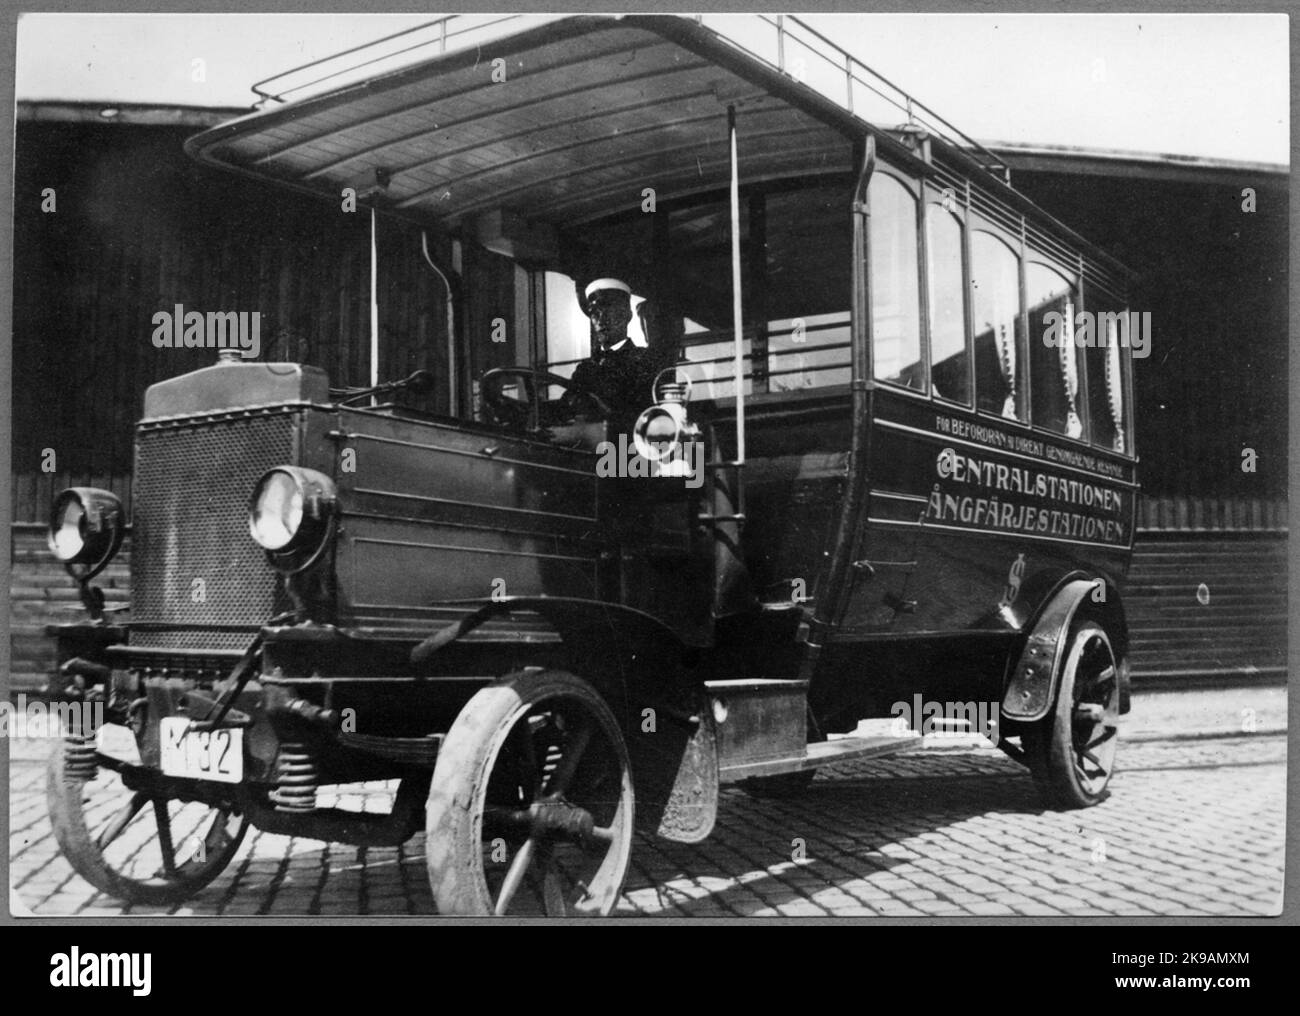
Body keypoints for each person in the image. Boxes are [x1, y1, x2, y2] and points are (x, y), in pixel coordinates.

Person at [569, 278, 658, 431]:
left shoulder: (644, 361)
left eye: (609, 312)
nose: (601, 320)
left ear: (627, 316)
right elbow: (566, 407)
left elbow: (644, 414)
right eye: (595, 314)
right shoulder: (584, 369)